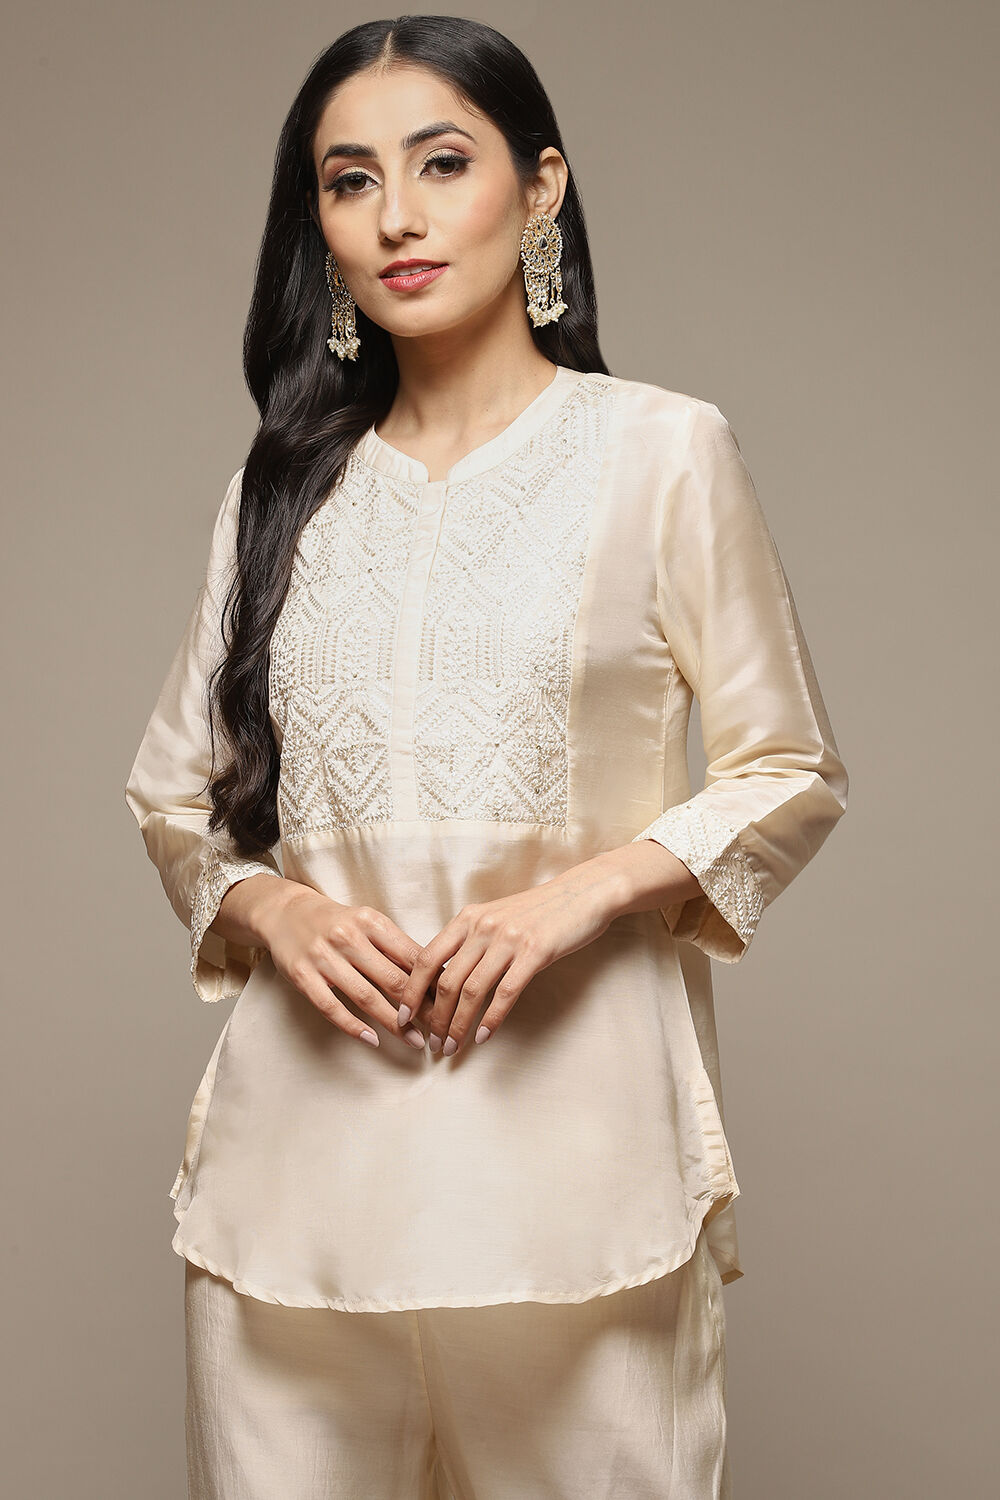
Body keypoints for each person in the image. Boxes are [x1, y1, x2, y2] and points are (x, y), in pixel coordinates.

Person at [124, 15, 848, 1499]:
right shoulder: (279, 491)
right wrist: (275, 908)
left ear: (540, 189)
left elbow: (788, 767)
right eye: (350, 181)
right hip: (290, 1197)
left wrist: (578, 898)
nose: (395, 214)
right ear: (320, 228)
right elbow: (174, 796)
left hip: (582, 1188)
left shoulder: (661, 452)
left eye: (442, 163)